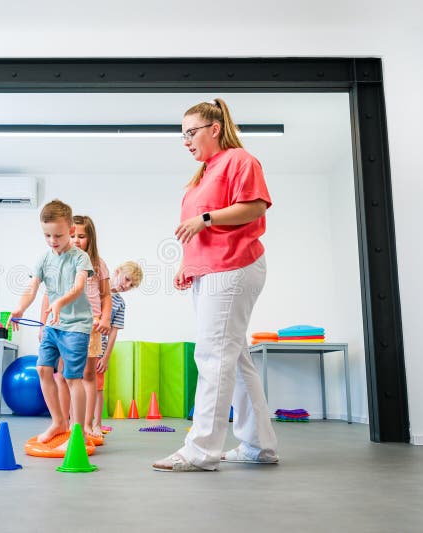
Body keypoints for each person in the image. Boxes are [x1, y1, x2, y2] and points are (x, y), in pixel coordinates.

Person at [152, 98, 278, 472]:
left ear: (215, 129)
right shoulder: (204, 174)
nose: (186, 141)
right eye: (183, 135)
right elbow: (196, 231)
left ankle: (200, 450)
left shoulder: (239, 160)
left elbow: (255, 206)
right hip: (211, 270)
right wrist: (187, 264)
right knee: (235, 358)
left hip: (234, 265)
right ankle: (259, 446)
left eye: (191, 132)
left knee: (213, 356)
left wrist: (206, 218)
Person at [9, 199, 93, 443]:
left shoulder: (80, 258)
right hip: (53, 326)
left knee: (72, 378)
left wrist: (59, 303)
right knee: (43, 369)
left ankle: (78, 432)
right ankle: (58, 422)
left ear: (70, 230)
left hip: (76, 326)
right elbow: (32, 287)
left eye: (58, 235)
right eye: (47, 235)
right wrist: (20, 308)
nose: (52, 240)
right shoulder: (44, 259)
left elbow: (78, 287)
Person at [39, 215, 110, 441]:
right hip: (61, 324)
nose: (76, 240)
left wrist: (105, 319)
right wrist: (43, 323)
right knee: (63, 375)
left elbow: (106, 295)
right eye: (73, 235)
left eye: (82, 236)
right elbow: (49, 295)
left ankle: (86, 424)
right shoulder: (59, 261)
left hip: (90, 324)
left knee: (87, 375)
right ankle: (65, 422)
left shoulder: (98, 264)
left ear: (90, 238)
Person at [94, 261, 143, 433]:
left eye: (132, 285)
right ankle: (77, 424)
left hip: (99, 349)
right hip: (82, 344)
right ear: (117, 271)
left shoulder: (120, 303)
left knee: (98, 387)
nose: (127, 286)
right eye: (127, 279)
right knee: (78, 383)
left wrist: (106, 357)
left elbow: (113, 332)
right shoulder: (96, 289)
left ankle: (96, 424)